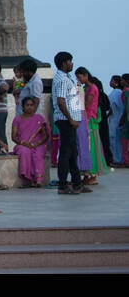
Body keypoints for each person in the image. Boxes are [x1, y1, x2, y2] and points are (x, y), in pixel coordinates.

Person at [51, 51, 86, 194]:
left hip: (70, 120)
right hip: (65, 120)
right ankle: (63, 185)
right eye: (69, 61)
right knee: (66, 153)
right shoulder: (61, 79)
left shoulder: (67, 77)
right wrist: (71, 119)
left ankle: (77, 183)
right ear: (64, 63)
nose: (71, 63)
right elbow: (60, 101)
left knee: (73, 152)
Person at [11, 96, 50, 187]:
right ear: (22, 107)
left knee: (39, 153)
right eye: (27, 105)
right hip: (23, 144)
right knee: (24, 151)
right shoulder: (17, 119)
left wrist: (36, 143)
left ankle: (38, 180)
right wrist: (23, 143)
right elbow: (13, 136)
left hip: (37, 144)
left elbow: (45, 135)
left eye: (31, 105)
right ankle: (28, 178)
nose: (29, 107)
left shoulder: (39, 118)